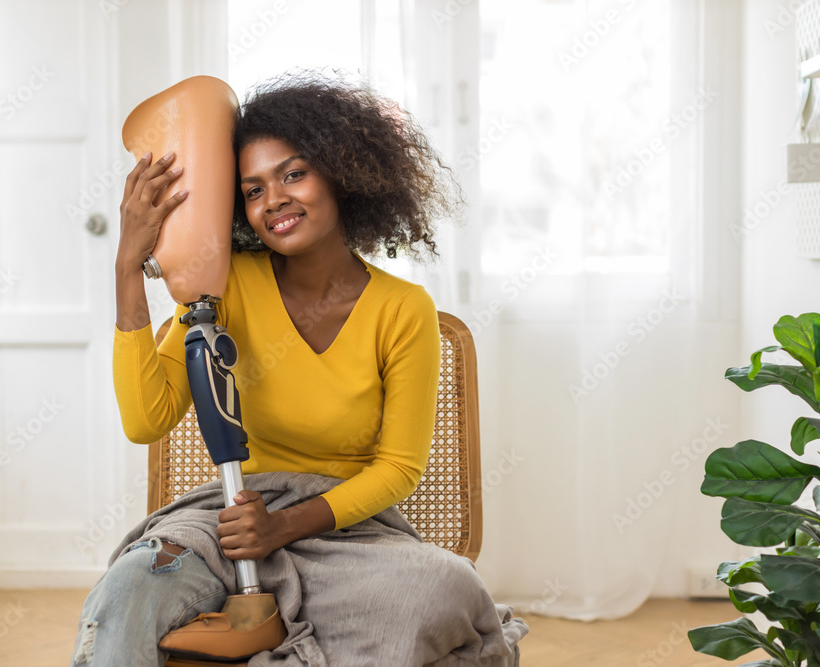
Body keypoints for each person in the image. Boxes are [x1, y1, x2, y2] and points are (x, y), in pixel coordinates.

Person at [72, 70, 527, 666]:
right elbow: (145, 418)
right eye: (253, 189)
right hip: (233, 523)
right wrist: (126, 270)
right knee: (131, 587)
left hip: (350, 535)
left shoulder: (401, 308)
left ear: (342, 173)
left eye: (293, 174)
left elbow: (397, 469)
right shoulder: (225, 286)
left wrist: (283, 529)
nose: (275, 201)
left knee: (444, 588)